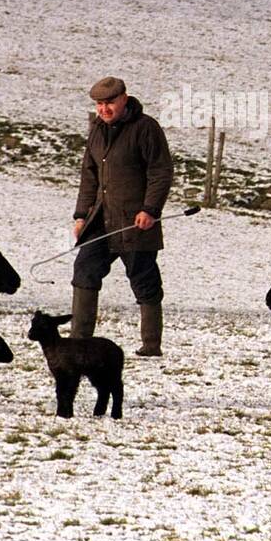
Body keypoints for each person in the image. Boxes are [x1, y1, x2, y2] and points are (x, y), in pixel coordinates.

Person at [71, 76, 173, 356]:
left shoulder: (146, 128)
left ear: (124, 99)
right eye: (99, 104)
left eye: (110, 103)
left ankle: (151, 345)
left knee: (144, 279)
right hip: (100, 220)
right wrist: (81, 215)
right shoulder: (97, 130)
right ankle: (79, 342)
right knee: (84, 270)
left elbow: (160, 172)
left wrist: (150, 209)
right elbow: (88, 175)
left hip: (136, 222)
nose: (104, 109)